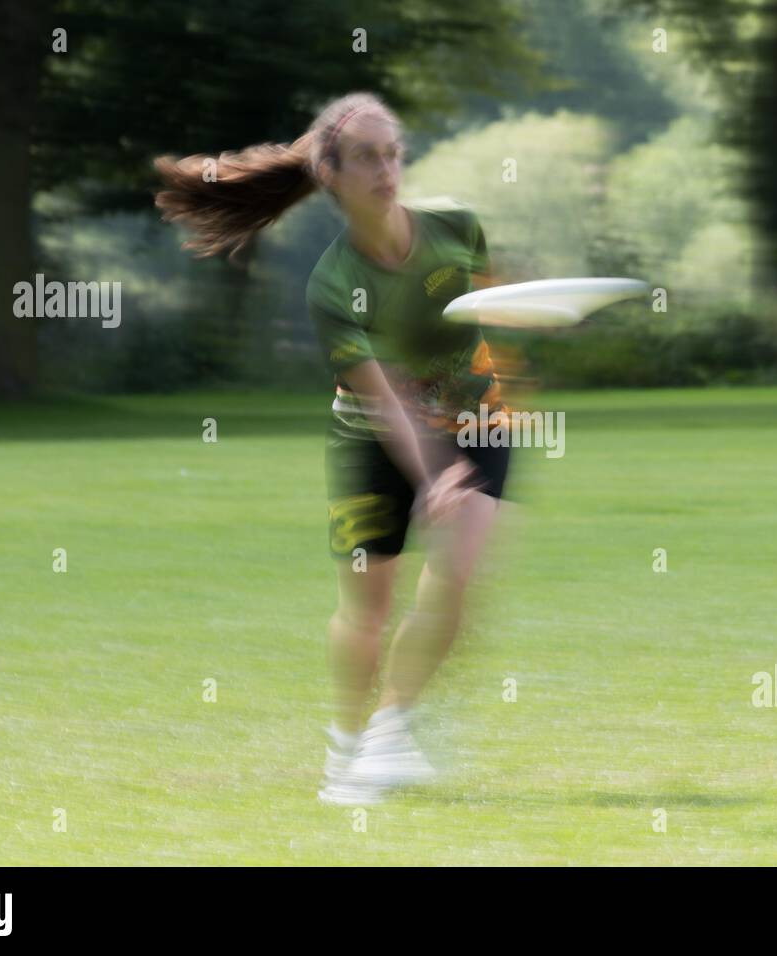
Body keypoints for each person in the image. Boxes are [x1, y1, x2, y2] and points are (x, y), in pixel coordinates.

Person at [154, 91, 511, 805]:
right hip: (373, 435)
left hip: (475, 421)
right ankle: (345, 747)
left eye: (393, 153)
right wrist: (431, 475)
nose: (386, 170)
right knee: (367, 610)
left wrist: (534, 316)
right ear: (334, 176)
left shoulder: (456, 227)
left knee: (459, 573)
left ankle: (389, 728)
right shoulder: (332, 285)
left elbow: (484, 309)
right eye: (367, 159)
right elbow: (385, 400)